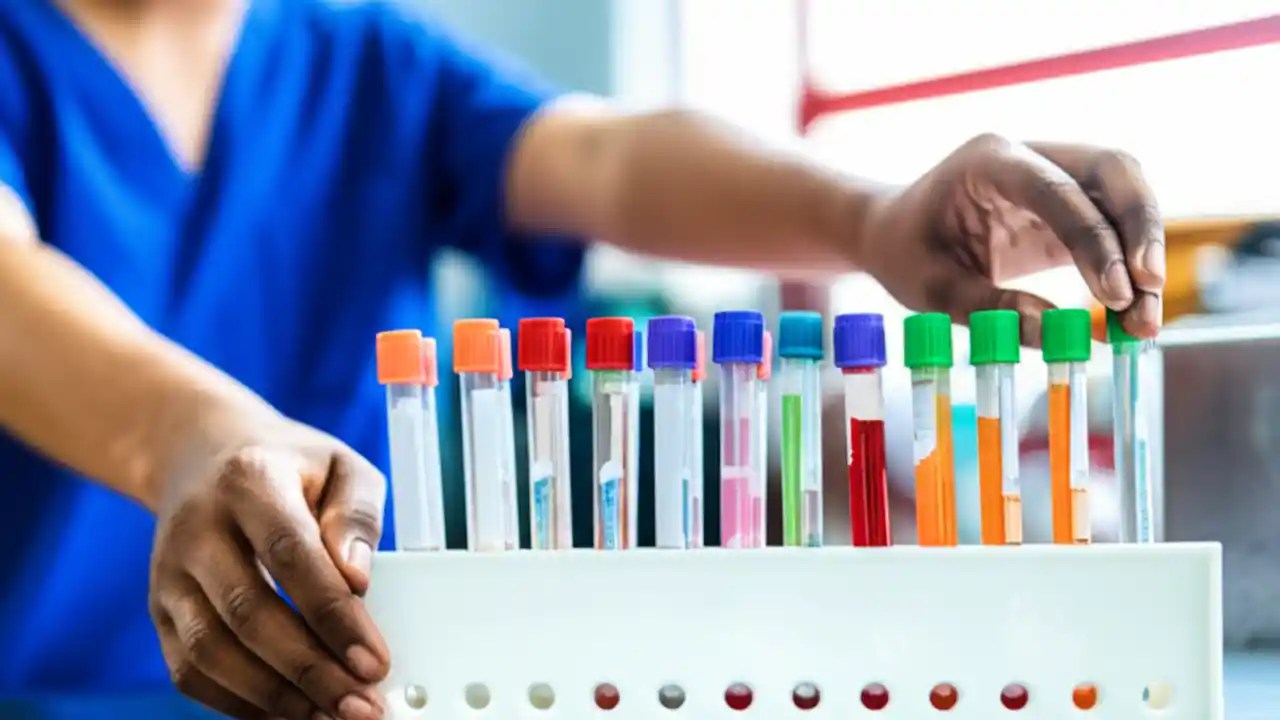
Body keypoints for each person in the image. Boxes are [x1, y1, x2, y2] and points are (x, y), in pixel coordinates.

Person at [0, 0, 1164, 719]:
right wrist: (195, 438)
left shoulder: (366, 59)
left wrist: (868, 219)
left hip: (361, 691)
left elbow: (603, 157)